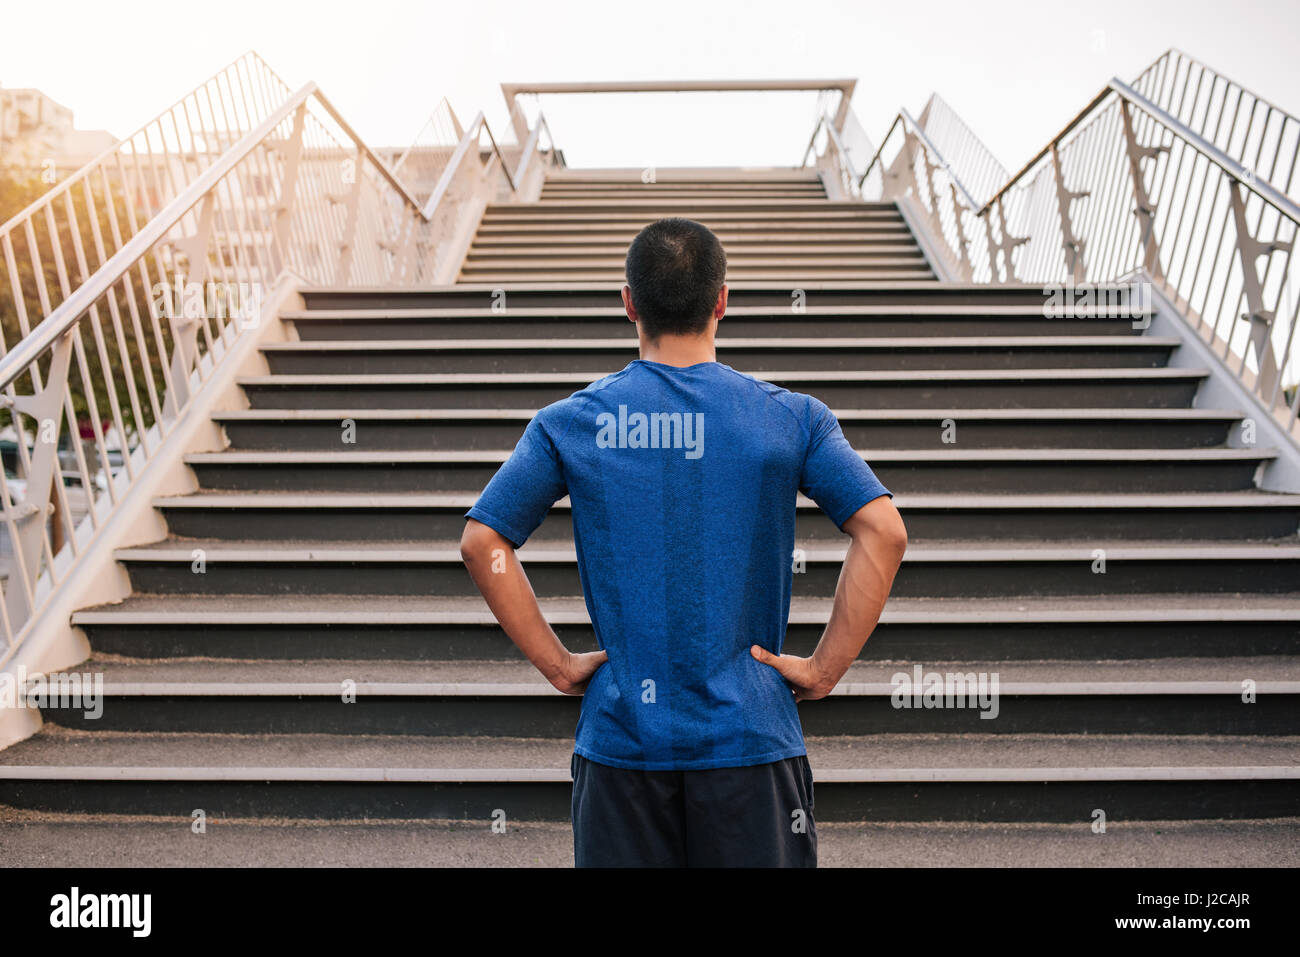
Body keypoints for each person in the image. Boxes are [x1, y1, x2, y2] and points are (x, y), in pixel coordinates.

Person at [460, 217, 907, 867]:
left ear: (629, 303)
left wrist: (558, 664)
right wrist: (824, 668)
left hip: (622, 745)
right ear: (722, 300)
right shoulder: (791, 417)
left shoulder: (571, 422)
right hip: (752, 743)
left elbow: (482, 542)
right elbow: (884, 532)